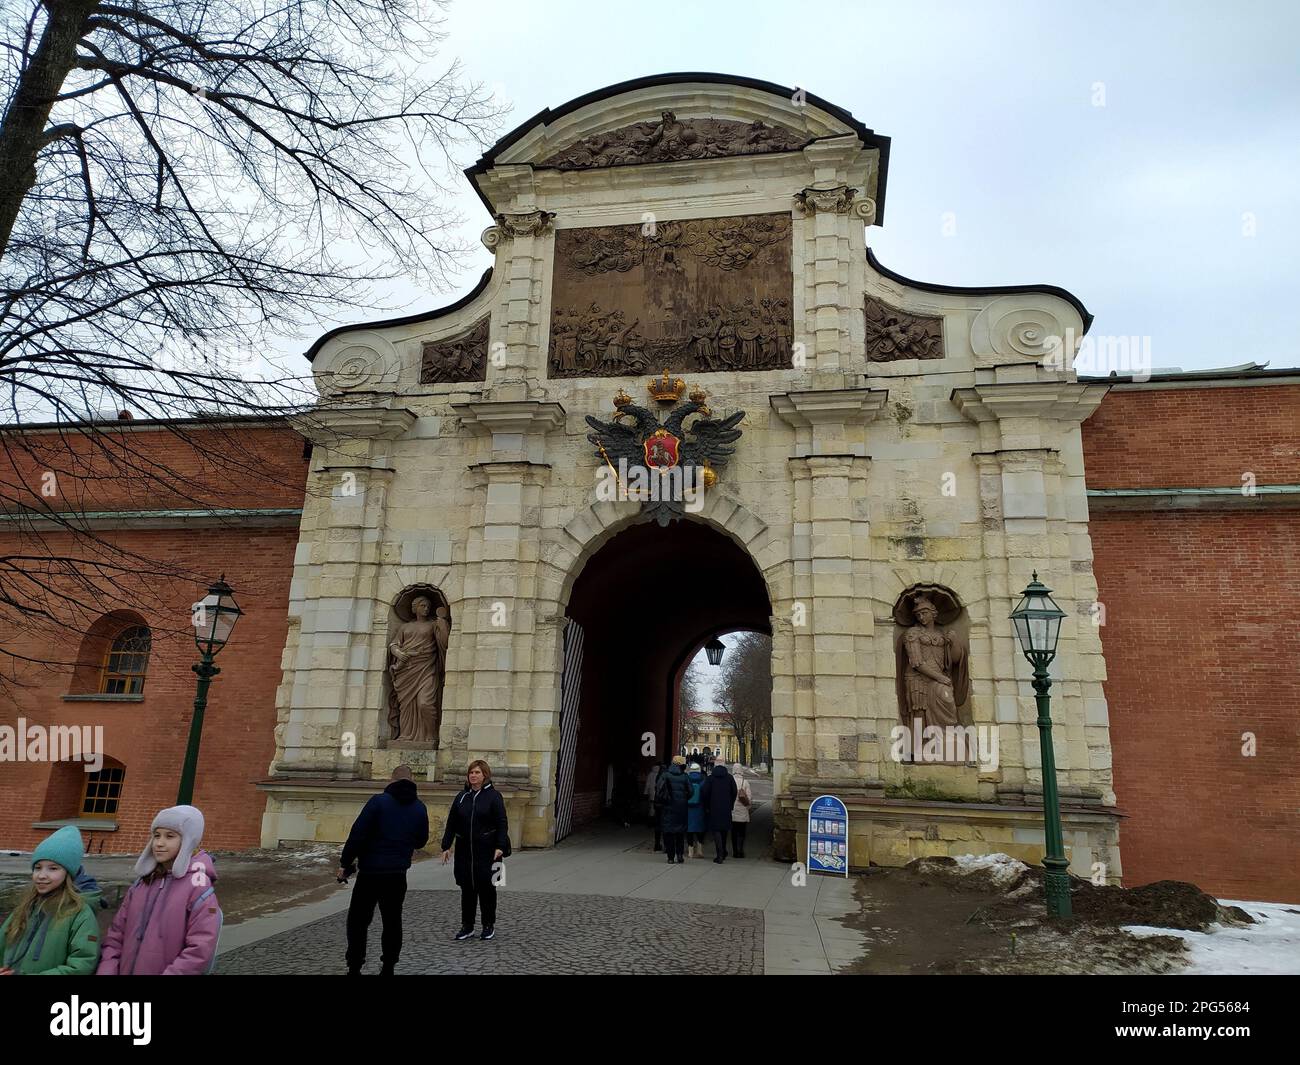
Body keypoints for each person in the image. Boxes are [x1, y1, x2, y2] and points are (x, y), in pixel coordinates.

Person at [97, 805, 221, 975]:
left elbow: (200, 948)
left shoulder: (198, 887)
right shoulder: (142, 884)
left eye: (170, 836)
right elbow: (116, 936)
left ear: (188, 841)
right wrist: (107, 970)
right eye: (156, 836)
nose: (159, 843)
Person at [339, 764, 429, 975]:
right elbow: (421, 841)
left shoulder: (378, 803)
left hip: (370, 873)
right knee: (392, 921)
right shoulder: (419, 807)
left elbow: (357, 835)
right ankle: (389, 965)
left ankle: (354, 965)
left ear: (392, 780)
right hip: (397, 874)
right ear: (411, 781)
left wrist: (345, 863)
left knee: (358, 921)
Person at [0, 826, 101, 975]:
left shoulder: (80, 913)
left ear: (68, 873)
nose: (41, 875)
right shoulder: (27, 907)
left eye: (53, 869)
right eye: (38, 867)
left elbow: (82, 965)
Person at [441, 759, 510, 941]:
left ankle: (488, 925)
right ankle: (467, 925)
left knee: (488, 889)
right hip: (465, 852)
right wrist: (446, 846)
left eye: (477, 773)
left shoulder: (494, 796)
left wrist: (500, 846)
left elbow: (502, 823)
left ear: (485, 775)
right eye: (471, 772)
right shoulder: (461, 797)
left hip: (489, 851)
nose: (473, 776)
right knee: (467, 889)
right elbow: (452, 823)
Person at [700, 758, 739, 863]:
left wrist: (707, 805)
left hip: (713, 807)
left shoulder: (710, 778)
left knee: (716, 830)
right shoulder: (730, 778)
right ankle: (724, 851)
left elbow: (704, 792)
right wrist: (731, 803)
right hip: (726, 807)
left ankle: (719, 854)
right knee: (724, 830)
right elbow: (734, 791)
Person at [656, 755, 691, 863]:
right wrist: (684, 799)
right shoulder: (685, 776)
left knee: (668, 832)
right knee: (680, 833)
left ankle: (670, 857)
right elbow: (691, 791)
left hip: (668, 807)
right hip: (681, 808)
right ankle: (680, 855)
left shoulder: (665, 775)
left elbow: (658, 790)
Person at [730, 764, 753, 858]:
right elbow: (749, 797)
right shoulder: (745, 782)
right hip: (743, 810)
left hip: (733, 810)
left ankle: (735, 851)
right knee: (742, 832)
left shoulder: (730, 781)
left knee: (733, 832)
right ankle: (741, 850)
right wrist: (748, 806)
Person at [685, 761, 706, 858]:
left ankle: (690, 851)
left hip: (688, 809)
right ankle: (700, 850)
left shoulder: (686, 779)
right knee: (700, 830)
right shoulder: (703, 780)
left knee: (689, 830)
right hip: (700, 808)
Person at [644, 762, 663, 851]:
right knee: (659, 813)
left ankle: (651, 822)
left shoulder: (651, 774)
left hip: (652, 795)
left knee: (651, 809)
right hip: (660, 796)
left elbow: (647, 784)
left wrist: (645, 793)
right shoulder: (662, 775)